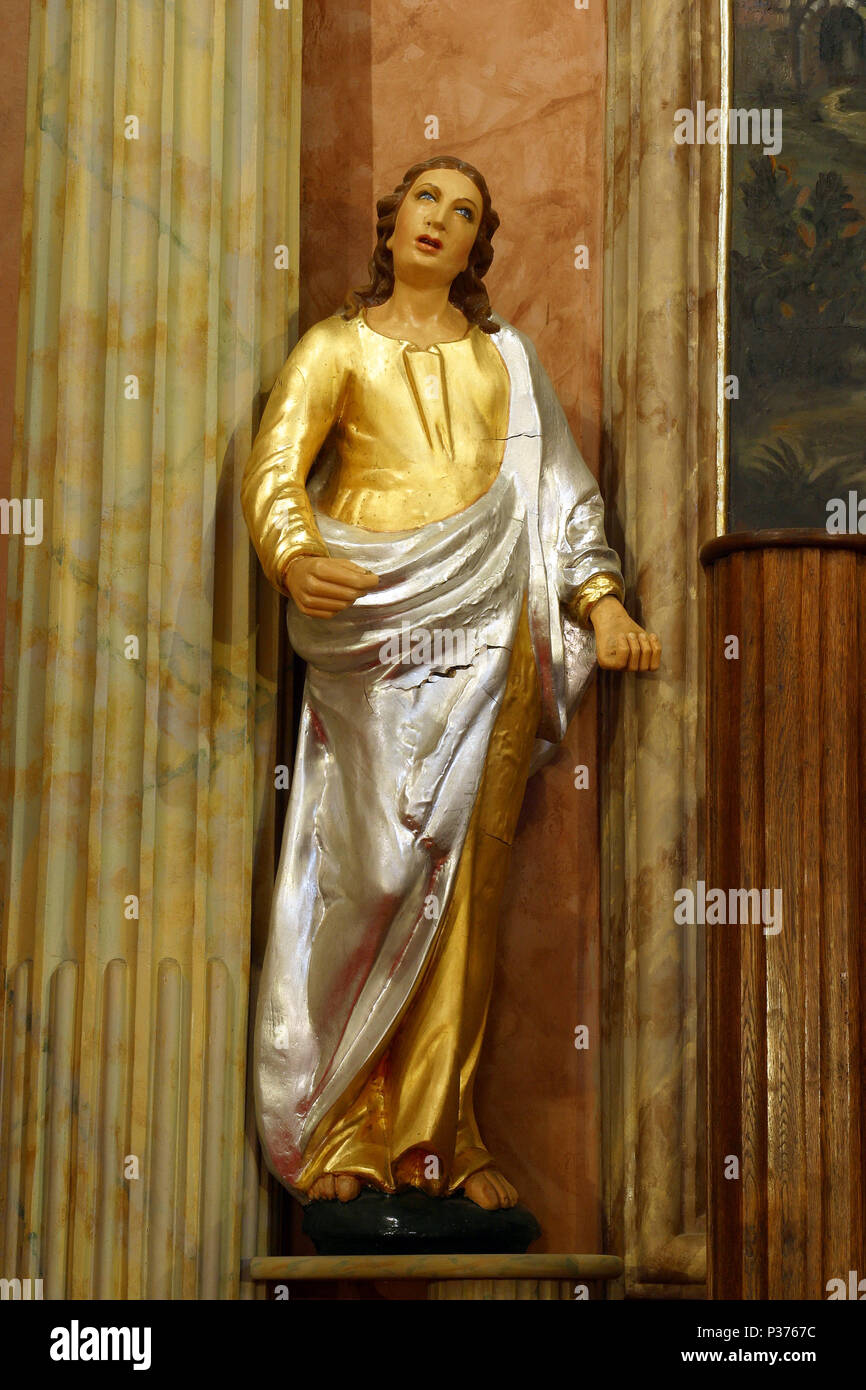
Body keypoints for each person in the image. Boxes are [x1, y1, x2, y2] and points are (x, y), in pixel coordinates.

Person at [241, 154, 661, 1212]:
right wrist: (291, 553)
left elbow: (561, 492)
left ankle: (434, 1135)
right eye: (425, 199)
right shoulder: (335, 347)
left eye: (464, 210)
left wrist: (601, 598)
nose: (441, 219)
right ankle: (332, 1119)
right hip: (375, 636)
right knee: (374, 872)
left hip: (491, 641)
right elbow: (274, 468)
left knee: (465, 899)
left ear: (479, 245)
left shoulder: (507, 364)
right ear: (389, 226)